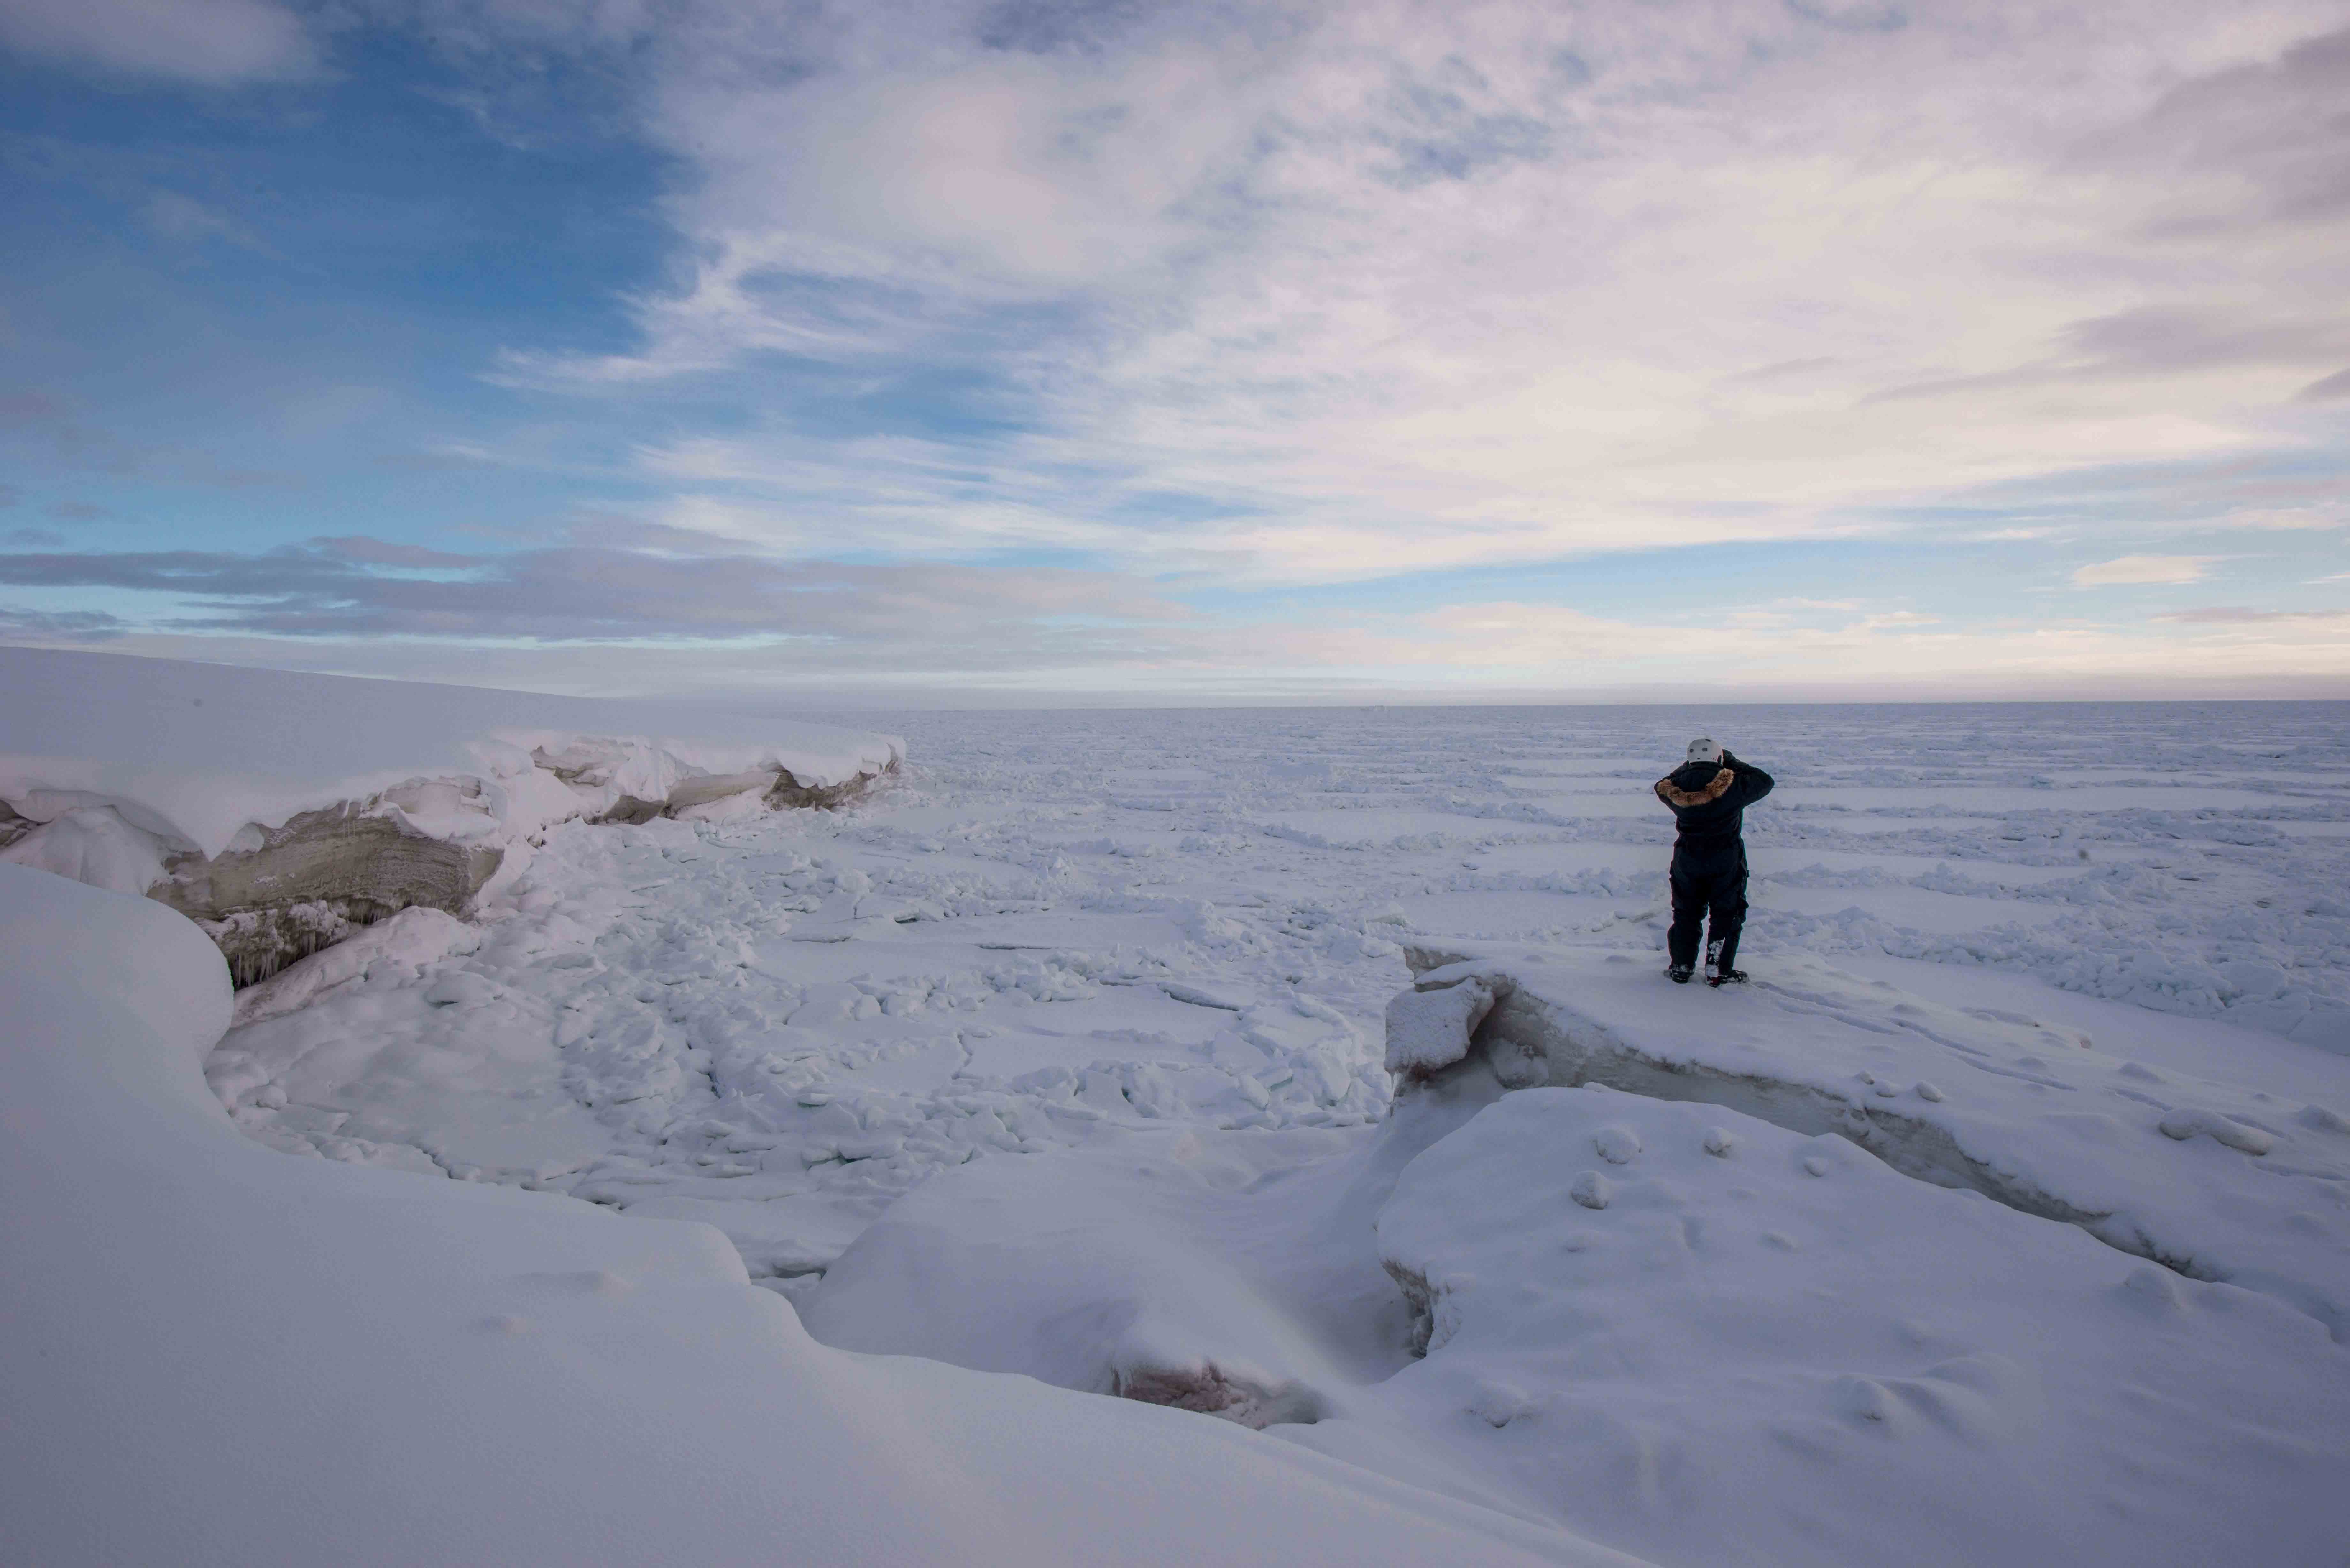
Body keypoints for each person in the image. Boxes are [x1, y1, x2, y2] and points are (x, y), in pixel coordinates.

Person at [1652, 738, 1774, 986]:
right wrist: (1732, 762)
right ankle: (1717, 970)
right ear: (1719, 758)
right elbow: (1765, 781)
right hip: (1724, 857)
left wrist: (1687, 769)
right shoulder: (1733, 785)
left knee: (1686, 912)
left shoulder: (1674, 787)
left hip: (1687, 857)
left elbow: (1660, 785)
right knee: (1726, 914)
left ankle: (1681, 967)